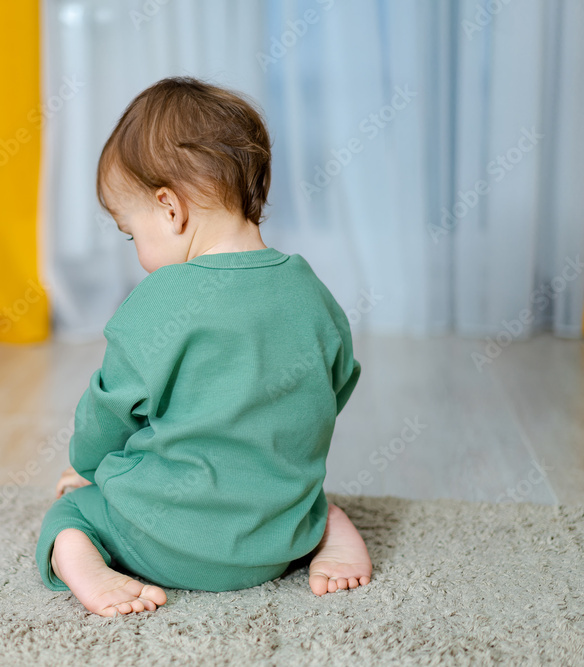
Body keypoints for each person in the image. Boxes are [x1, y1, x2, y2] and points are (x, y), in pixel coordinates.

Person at [35, 77, 372, 617]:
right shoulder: (310, 291)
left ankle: (82, 558)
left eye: (131, 233)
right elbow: (338, 383)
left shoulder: (158, 302)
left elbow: (107, 413)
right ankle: (326, 526)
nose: (136, 250)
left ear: (170, 208)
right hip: (276, 543)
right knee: (308, 500)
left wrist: (89, 466)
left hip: (162, 546)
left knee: (71, 513)